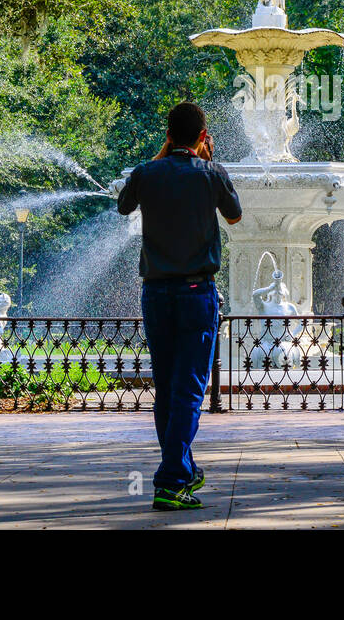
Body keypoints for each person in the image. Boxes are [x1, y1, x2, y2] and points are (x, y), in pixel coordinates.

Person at [117, 101, 242, 511]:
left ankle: (182, 469)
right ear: (203, 137)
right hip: (196, 293)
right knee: (189, 389)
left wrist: (161, 155)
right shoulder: (211, 173)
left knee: (167, 389)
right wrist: (208, 161)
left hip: (156, 294)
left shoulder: (146, 173)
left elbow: (123, 206)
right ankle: (171, 479)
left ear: (167, 134)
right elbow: (235, 215)